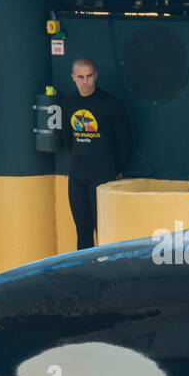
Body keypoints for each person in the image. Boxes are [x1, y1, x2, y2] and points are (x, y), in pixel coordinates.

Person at [59, 57, 132, 250]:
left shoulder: (109, 103)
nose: (85, 81)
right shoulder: (68, 103)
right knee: (82, 229)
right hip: (77, 175)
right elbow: (67, 137)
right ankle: (84, 268)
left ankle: (106, 266)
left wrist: (114, 169)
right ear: (73, 77)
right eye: (80, 77)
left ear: (96, 76)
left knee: (104, 229)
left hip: (103, 174)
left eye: (89, 76)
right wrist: (78, 159)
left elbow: (125, 140)